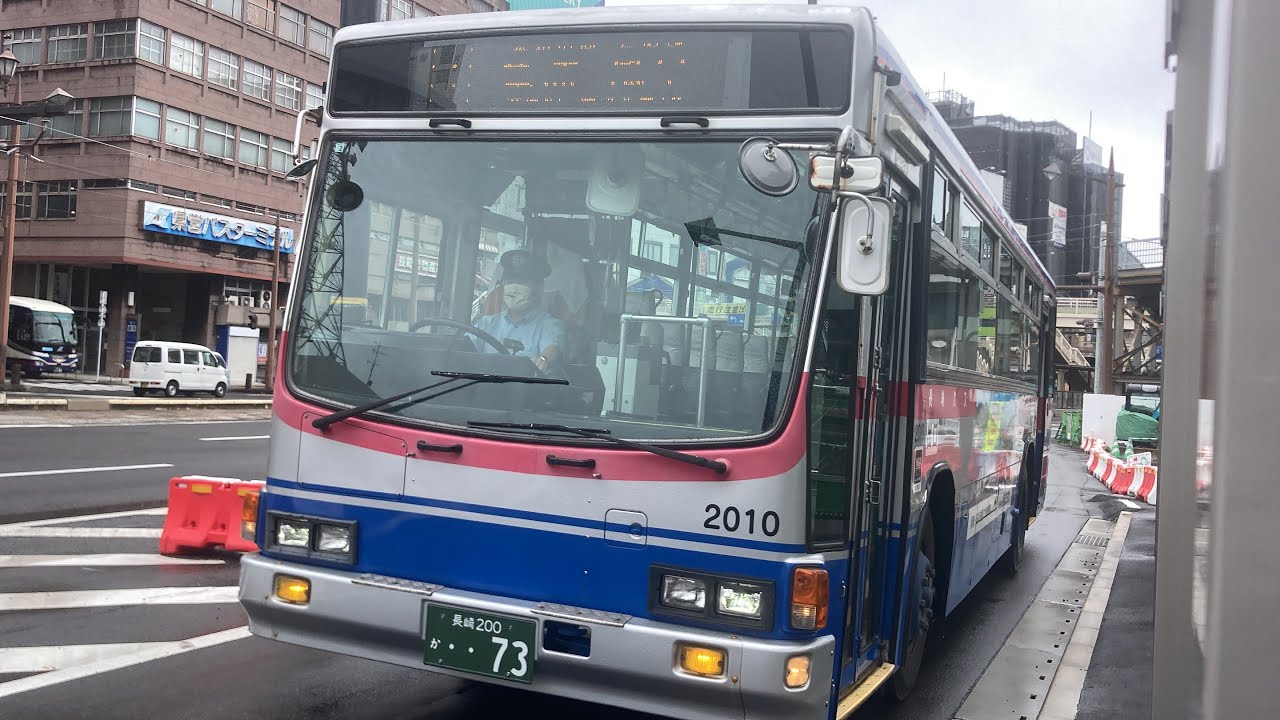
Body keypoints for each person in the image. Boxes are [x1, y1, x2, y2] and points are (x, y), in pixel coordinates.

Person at [473, 249, 563, 372]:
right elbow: (463, 346)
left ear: (538, 287)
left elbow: (552, 348)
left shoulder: (548, 325)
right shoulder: (486, 323)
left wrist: (543, 359)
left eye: (522, 282)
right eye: (510, 282)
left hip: (525, 390)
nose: (514, 288)